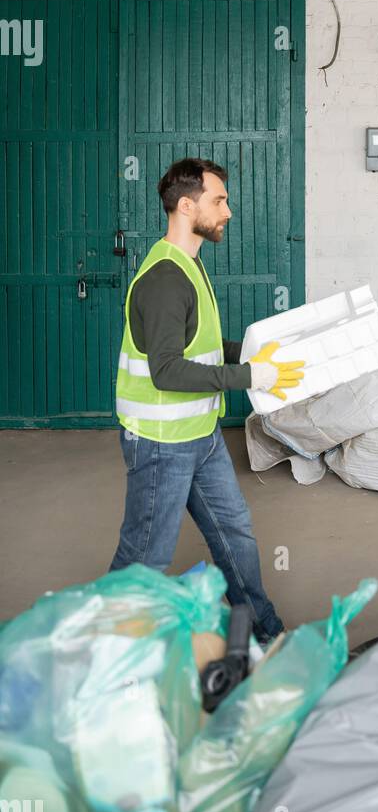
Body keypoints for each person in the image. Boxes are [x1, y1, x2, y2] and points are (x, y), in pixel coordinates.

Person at [111, 157, 303, 644]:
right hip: (161, 443)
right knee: (145, 559)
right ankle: (106, 653)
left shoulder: (190, 265)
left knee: (233, 534)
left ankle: (264, 632)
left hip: (201, 436)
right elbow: (168, 370)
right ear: (185, 205)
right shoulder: (164, 279)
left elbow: (203, 347)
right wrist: (250, 375)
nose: (229, 211)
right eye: (219, 201)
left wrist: (254, 353)